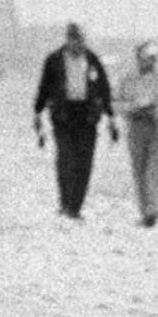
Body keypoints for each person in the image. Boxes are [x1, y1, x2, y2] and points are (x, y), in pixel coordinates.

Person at [30, 23, 118, 219]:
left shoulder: (93, 60)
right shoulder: (54, 60)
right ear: (68, 40)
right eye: (76, 40)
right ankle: (65, 203)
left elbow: (104, 88)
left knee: (84, 164)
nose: (79, 45)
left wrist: (110, 115)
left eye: (82, 41)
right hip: (63, 116)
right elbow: (44, 87)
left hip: (87, 117)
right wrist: (37, 112)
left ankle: (75, 207)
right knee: (66, 160)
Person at [117, 42, 158, 227]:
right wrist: (131, 109)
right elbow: (117, 101)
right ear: (138, 58)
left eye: (153, 58)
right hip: (135, 128)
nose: (150, 61)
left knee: (154, 170)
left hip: (157, 129)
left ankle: (153, 211)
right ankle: (144, 211)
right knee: (139, 171)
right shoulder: (128, 79)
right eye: (146, 58)